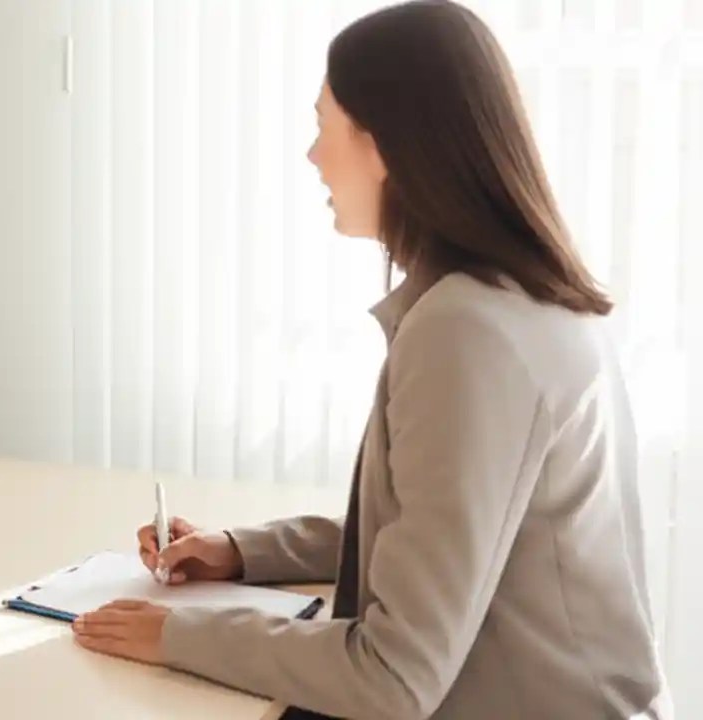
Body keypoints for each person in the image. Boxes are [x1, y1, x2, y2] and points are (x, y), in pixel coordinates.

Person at [70, 2, 672, 718]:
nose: (312, 155)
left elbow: (394, 675)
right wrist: (243, 551)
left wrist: (182, 635)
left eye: (324, 125)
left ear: (386, 142)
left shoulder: (469, 333)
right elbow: (435, 536)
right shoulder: (522, 299)